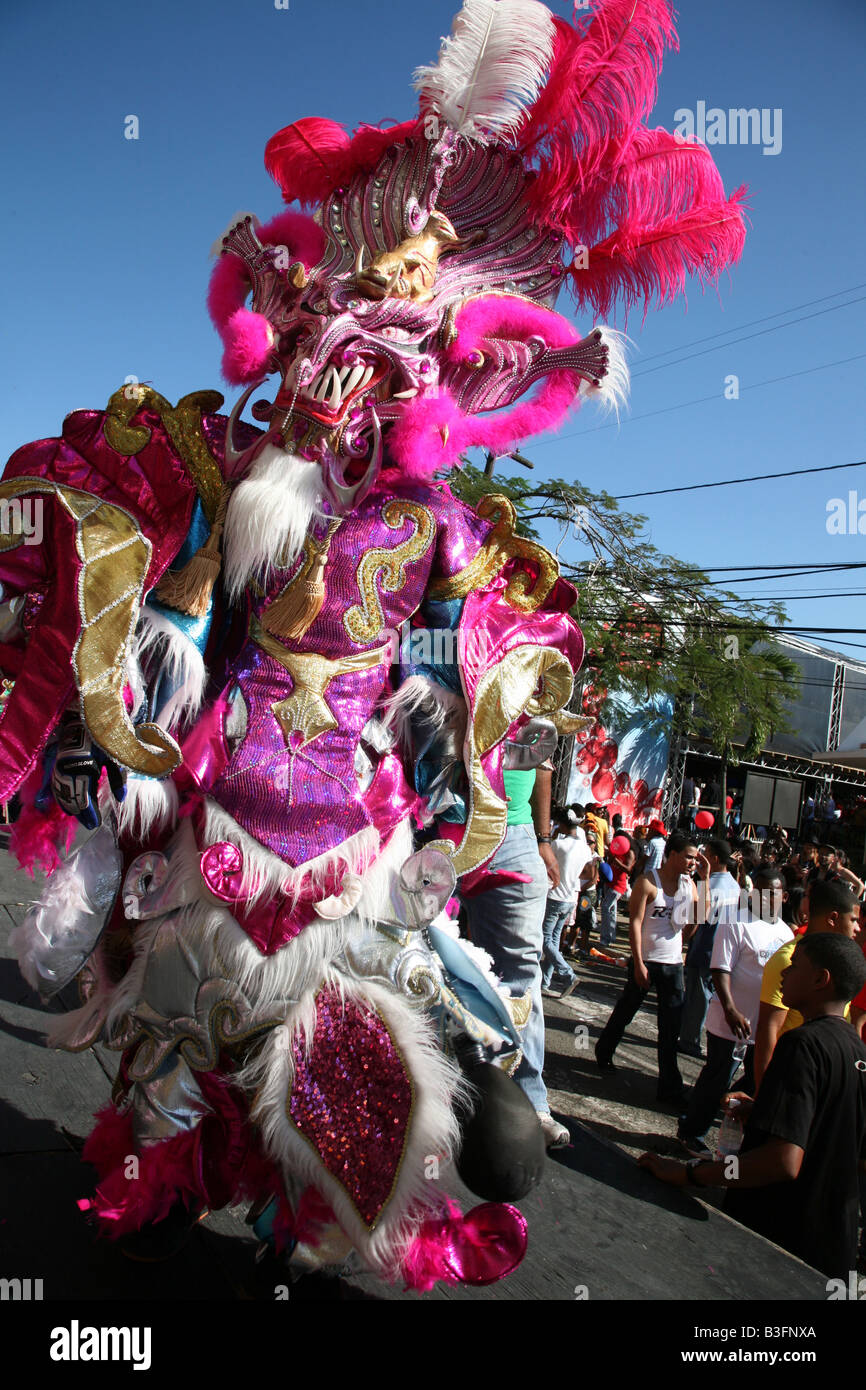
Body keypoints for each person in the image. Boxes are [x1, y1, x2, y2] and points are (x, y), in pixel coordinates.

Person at [639, 933, 866, 1280]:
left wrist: (691, 1174)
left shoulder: (801, 1045)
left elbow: (783, 1162)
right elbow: (833, 1133)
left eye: (795, 966)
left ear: (821, 980)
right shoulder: (856, 1049)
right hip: (832, 1247)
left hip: (779, 1243)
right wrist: (765, 1114)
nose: (783, 974)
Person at [464, 762, 571, 1149]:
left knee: (522, 968)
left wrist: (543, 839)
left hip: (510, 832)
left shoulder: (534, 700)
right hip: (424, 816)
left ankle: (528, 1100)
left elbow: (543, 762)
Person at [677, 866, 793, 1158]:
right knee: (718, 1075)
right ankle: (691, 1132)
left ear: (784, 896)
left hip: (765, 1027)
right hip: (730, 1023)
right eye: (760, 891)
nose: (764, 898)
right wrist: (729, 1008)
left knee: (755, 1082)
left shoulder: (785, 931)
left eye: (772, 893)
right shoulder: (735, 921)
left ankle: (717, 1113)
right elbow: (720, 968)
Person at [595, 832, 709, 1104]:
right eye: (688, 857)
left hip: (672, 964)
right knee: (626, 1011)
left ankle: (669, 1086)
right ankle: (604, 1050)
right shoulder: (648, 882)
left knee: (670, 1027)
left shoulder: (689, 885)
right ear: (672, 854)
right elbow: (635, 922)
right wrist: (638, 963)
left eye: (695, 858)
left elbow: (696, 922)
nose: (692, 862)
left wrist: (704, 882)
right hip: (645, 960)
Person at [753, 877, 860, 1089]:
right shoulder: (788, 959)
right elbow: (768, 1032)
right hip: (791, 1081)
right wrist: (763, 1095)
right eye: (854, 920)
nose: (857, 928)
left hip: (822, 1079)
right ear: (833, 918)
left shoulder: (840, 960)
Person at [679, 839, 741, 1059]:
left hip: (705, 948)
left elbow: (696, 918)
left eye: (705, 853)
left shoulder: (708, 884)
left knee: (698, 995)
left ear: (714, 858)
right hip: (725, 950)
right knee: (708, 995)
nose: (700, 857)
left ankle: (690, 1040)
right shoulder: (734, 884)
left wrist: (683, 941)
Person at [540, 808, 590, 997]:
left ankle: (568, 974)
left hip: (555, 897)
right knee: (553, 940)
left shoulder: (558, 845)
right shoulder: (584, 848)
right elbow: (589, 872)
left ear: (562, 824)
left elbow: (544, 860)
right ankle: (545, 981)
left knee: (546, 940)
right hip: (570, 898)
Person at [599, 830, 636, 947]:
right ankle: (611, 936)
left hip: (618, 886)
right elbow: (609, 864)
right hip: (609, 882)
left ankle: (605, 938)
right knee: (611, 911)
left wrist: (616, 861)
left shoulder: (629, 853)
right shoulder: (615, 849)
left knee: (605, 907)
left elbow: (629, 869)